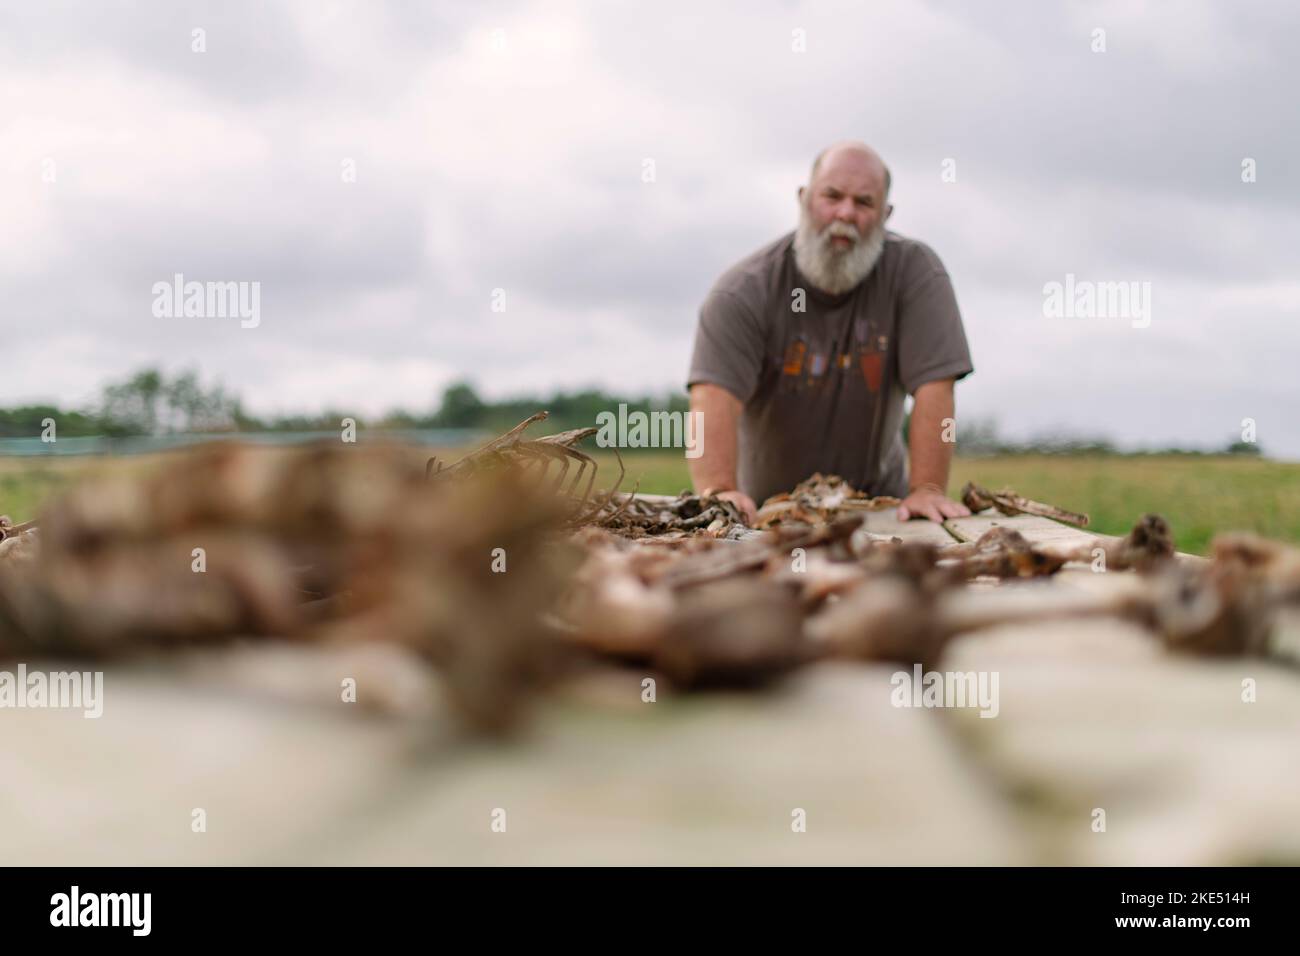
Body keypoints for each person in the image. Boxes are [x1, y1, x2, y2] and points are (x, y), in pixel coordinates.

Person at [686, 140, 975, 525]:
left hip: (882, 511)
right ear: (805, 199)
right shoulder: (742, 292)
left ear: (885, 214)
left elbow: (935, 387)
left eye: (863, 203)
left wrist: (928, 489)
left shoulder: (916, 275)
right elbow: (712, 398)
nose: (845, 214)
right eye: (832, 196)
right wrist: (720, 492)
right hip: (769, 513)